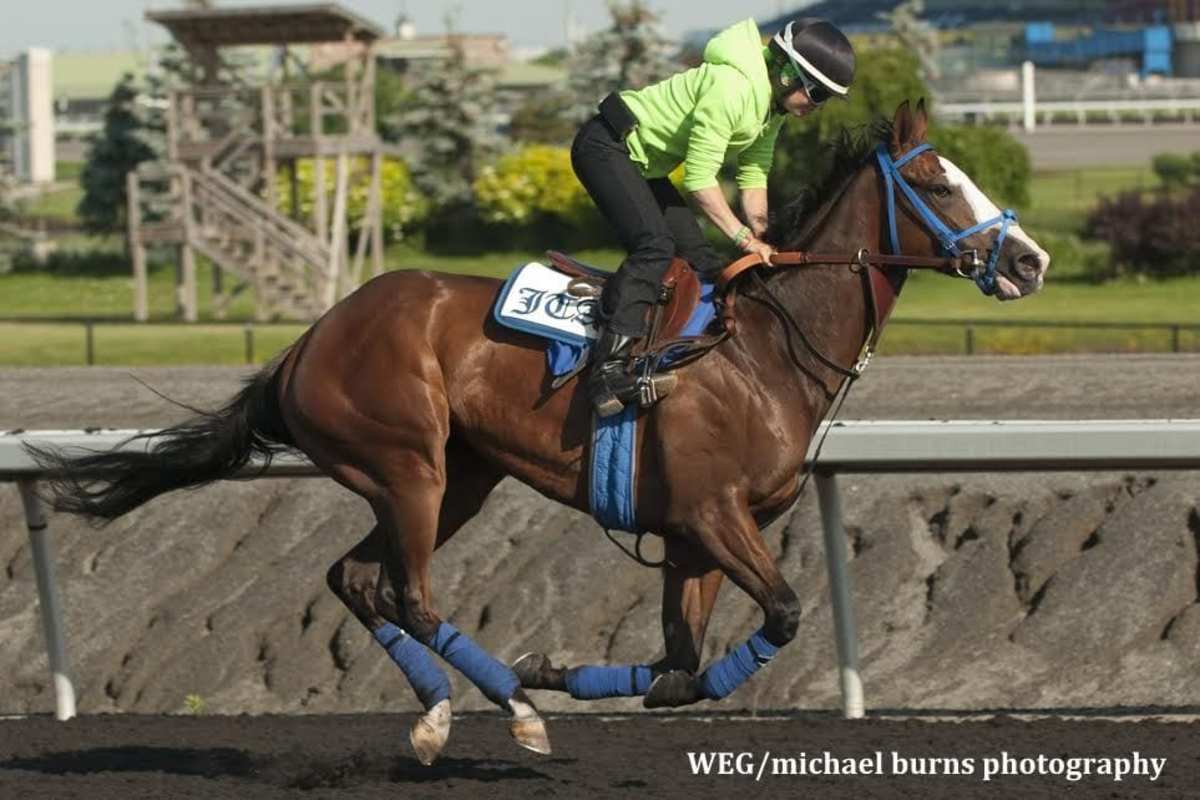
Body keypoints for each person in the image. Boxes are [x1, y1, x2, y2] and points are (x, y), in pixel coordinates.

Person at [571, 17, 856, 417]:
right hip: (605, 147)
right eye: (818, 93)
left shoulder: (770, 110)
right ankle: (608, 371)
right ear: (790, 74)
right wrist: (743, 238)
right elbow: (700, 181)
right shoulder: (733, 88)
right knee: (655, 247)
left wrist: (763, 237)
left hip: (642, 164)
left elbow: (753, 174)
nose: (817, 105)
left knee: (702, 261)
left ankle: (675, 353)